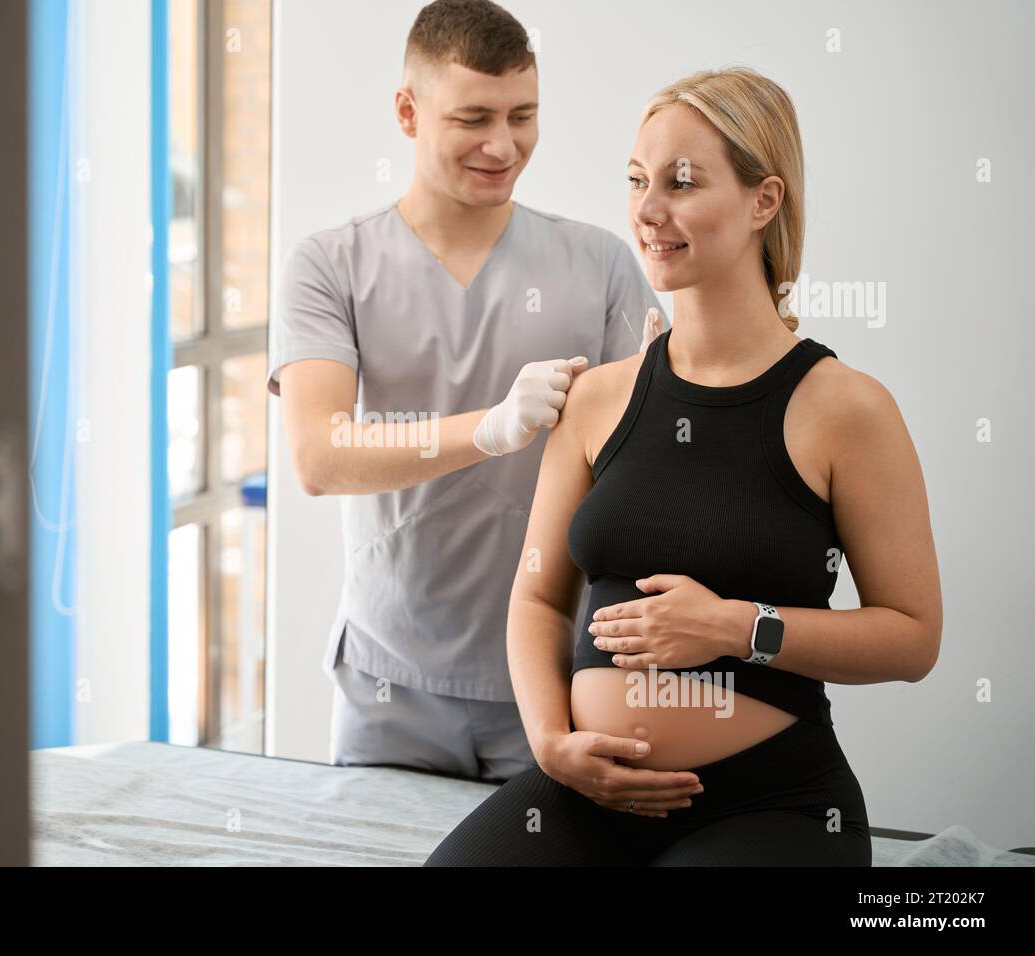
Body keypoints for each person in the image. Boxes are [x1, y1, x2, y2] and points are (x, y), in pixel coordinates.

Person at [425, 66, 943, 864]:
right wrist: (551, 740)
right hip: (588, 787)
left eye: (681, 182)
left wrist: (738, 627)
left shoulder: (846, 408)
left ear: (763, 202)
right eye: (637, 181)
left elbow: (912, 638)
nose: (647, 210)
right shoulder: (595, 399)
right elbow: (535, 596)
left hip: (770, 800)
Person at [265, 0, 666, 782]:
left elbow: (641, 480)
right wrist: (491, 429)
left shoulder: (602, 265)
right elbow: (319, 457)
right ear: (408, 113)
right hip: (391, 680)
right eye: (473, 117)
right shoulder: (329, 266)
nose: (503, 144)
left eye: (524, 115)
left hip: (552, 675)